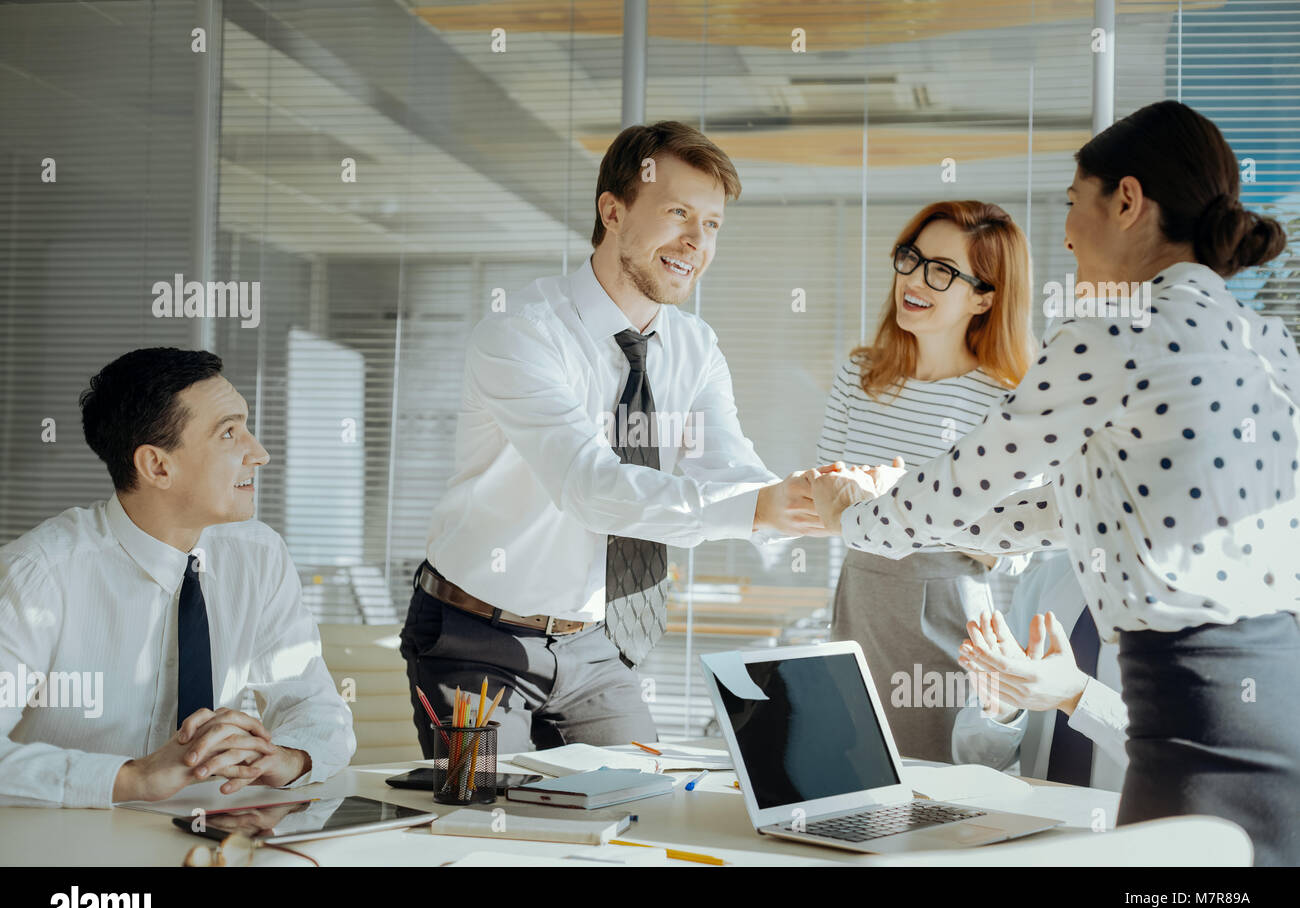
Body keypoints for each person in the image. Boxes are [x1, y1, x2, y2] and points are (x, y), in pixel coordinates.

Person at [811, 100, 1297, 864]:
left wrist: (855, 519)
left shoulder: (1114, 334)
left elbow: (966, 483)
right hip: (1279, 699)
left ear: (1127, 201)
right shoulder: (1269, 344)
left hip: (1188, 715)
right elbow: (1046, 513)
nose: (1066, 233)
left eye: (1074, 203)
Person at [401, 121, 827, 756]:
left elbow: (728, 469)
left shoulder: (693, 345)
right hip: (473, 638)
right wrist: (759, 507)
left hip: (594, 645)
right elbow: (588, 486)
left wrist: (816, 497)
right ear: (613, 210)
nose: (695, 241)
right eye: (678, 212)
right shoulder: (522, 335)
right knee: (492, 829)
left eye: (711, 224)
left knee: (637, 816)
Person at [0, 348, 356, 808]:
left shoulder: (258, 555)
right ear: (157, 466)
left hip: (216, 836)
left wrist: (284, 758)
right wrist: (132, 779)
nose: (260, 454)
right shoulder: (37, 575)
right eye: (229, 433)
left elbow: (315, 706)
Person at [816, 200, 1037, 762]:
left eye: (942, 271)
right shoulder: (857, 376)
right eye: (911, 259)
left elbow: (1013, 552)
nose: (915, 280)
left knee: (937, 778)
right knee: (853, 765)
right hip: (859, 589)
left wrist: (897, 508)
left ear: (984, 296)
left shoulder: (1007, 400)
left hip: (947, 600)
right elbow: (826, 498)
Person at [952, 549, 1128, 792]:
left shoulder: (1189, 601)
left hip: (1138, 826)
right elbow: (972, 760)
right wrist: (1003, 708)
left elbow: (1187, 757)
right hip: (1034, 820)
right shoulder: (1047, 579)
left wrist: (1077, 697)